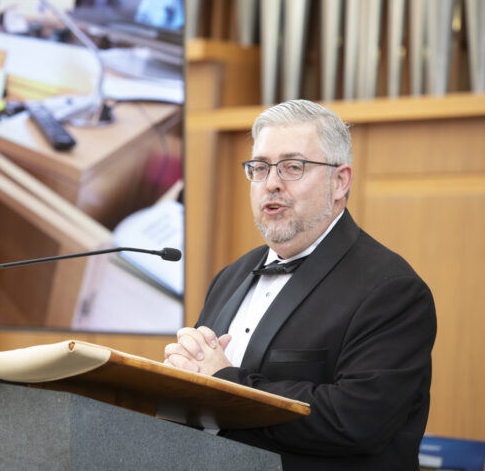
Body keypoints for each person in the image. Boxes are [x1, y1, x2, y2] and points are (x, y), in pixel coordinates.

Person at [164, 99, 436, 470]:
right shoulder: (231, 276)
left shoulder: (392, 290)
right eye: (260, 168)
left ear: (339, 182)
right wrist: (178, 378)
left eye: (292, 167)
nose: (271, 183)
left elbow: (355, 420)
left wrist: (226, 383)